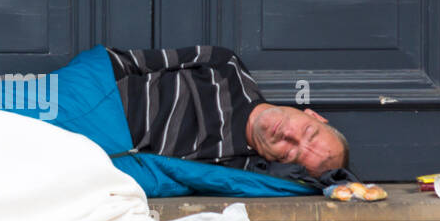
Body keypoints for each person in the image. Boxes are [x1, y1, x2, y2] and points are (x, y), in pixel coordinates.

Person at [107, 46, 349, 179]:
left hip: (99, 156)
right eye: (308, 131)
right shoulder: (224, 67)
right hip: (94, 103)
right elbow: (125, 62)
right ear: (313, 115)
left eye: (292, 155)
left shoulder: (240, 169)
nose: (290, 135)